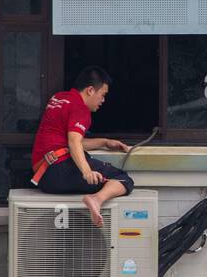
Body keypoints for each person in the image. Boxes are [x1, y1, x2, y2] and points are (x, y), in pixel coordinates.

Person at [30, 66, 135, 227]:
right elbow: (73, 142)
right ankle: (96, 199)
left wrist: (105, 142)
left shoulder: (58, 99)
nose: (103, 101)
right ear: (91, 90)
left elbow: (71, 142)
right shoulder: (80, 108)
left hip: (43, 175)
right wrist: (86, 172)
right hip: (61, 170)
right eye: (103, 95)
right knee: (123, 179)